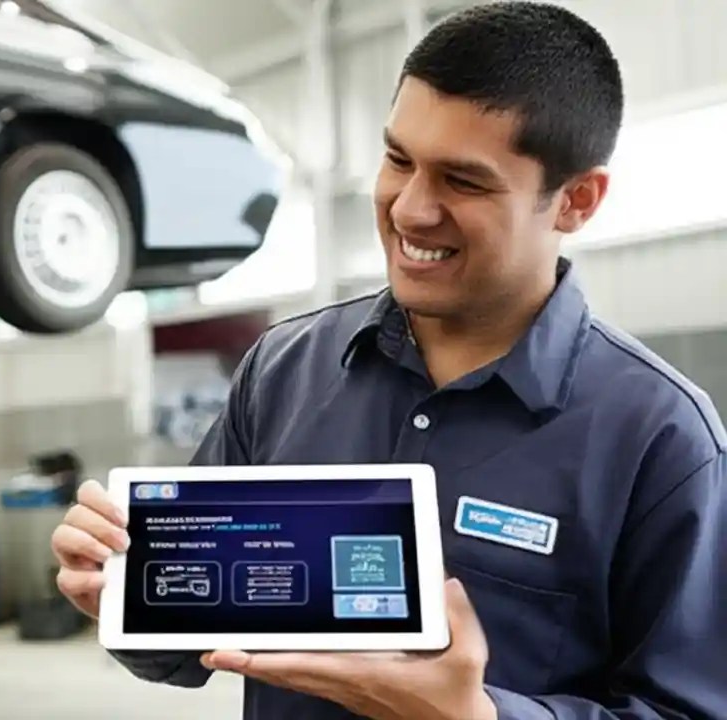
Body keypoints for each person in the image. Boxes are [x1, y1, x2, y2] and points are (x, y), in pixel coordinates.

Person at [52, 3, 727, 719]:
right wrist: (121, 593)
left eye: (463, 182)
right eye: (398, 159)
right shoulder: (283, 373)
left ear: (575, 201)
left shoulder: (659, 438)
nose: (409, 209)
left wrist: (480, 717)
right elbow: (187, 645)